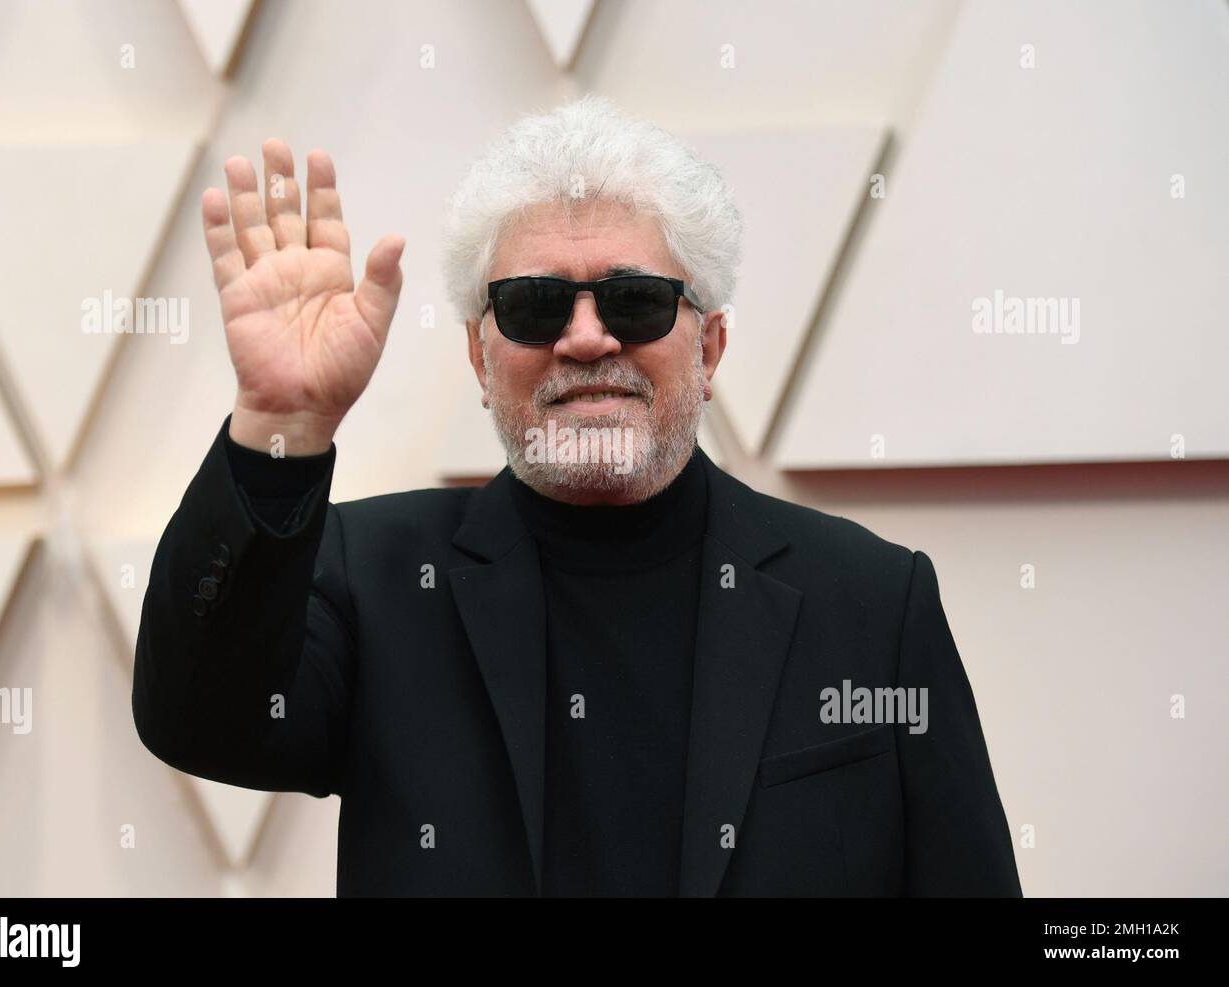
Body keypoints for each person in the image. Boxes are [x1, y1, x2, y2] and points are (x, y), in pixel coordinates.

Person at [132, 95, 1021, 897]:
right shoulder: (375, 578)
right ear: (481, 357)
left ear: (708, 349)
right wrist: (281, 421)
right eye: (534, 305)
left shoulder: (870, 600)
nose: (587, 338)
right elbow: (197, 720)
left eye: (634, 301)